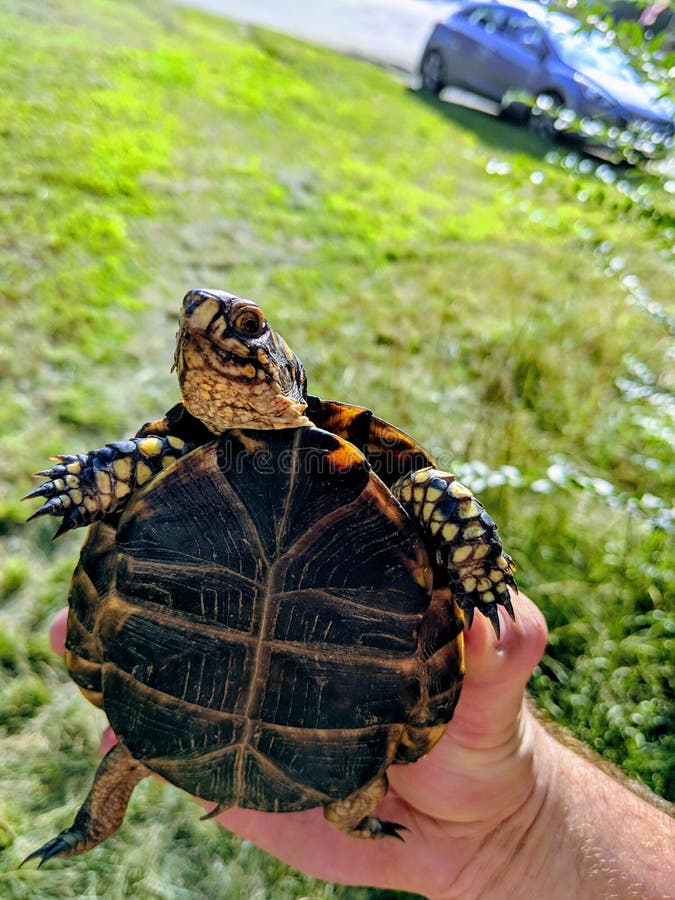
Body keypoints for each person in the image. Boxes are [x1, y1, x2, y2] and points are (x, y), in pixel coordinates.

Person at [50, 592, 673, 898]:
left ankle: (94, 824)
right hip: (362, 551)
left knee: (135, 749)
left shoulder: (153, 742)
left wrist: (513, 836)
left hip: (188, 531)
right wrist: (508, 834)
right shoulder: (347, 780)